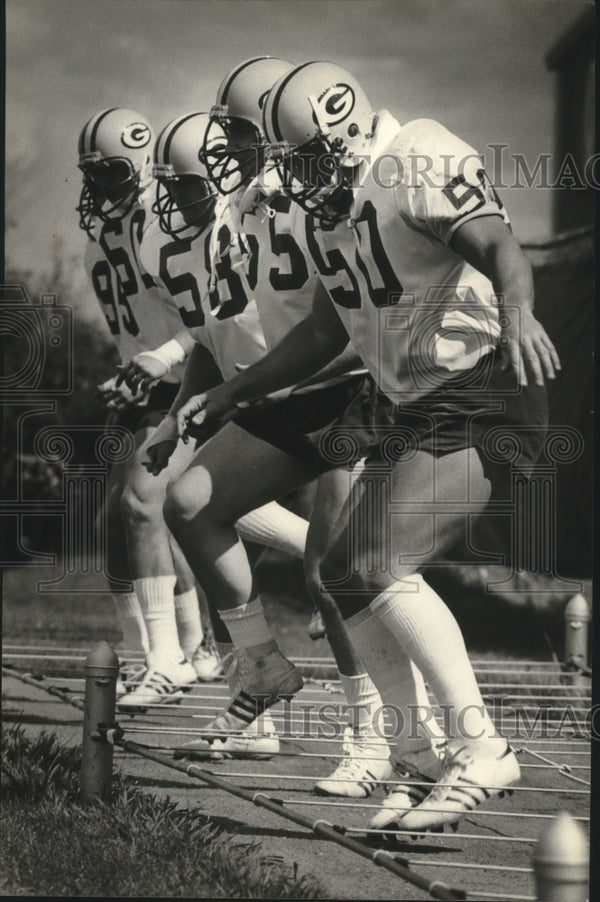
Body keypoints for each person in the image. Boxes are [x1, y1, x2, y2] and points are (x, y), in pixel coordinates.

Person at [174, 60, 560, 833]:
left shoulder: (414, 158)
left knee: (379, 564)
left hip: (484, 385)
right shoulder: (333, 201)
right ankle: (416, 759)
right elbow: (324, 328)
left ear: (345, 133)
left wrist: (518, 309)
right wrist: (234, 391)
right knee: (347, 575)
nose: (294, 176)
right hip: (415, 403)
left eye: (304, 156)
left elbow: (498, 243)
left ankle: (482, 749)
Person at [143, 57, 410, 797]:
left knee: (332, 570)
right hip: (284, 391)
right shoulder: (234, 211)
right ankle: (259, 665)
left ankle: (373, 737)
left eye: (234, 129)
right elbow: (210, 332)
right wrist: (197, 405)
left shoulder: (322, 191)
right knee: (189, 501)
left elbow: (343, 318)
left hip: (352, 385)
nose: (223, 145)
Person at [77, 107, 220, 706]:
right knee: (132, 526)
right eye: (92, 174)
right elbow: (137, 334)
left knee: (147, 509)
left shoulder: (160, 233)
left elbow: (208, 323)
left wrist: (160, 360)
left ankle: (177, 656)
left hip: (191, 384)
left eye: (111, 171)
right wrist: (131, 374)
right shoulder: (100, 242)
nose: (99, 186)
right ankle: (185, 652)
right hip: (151, 389)